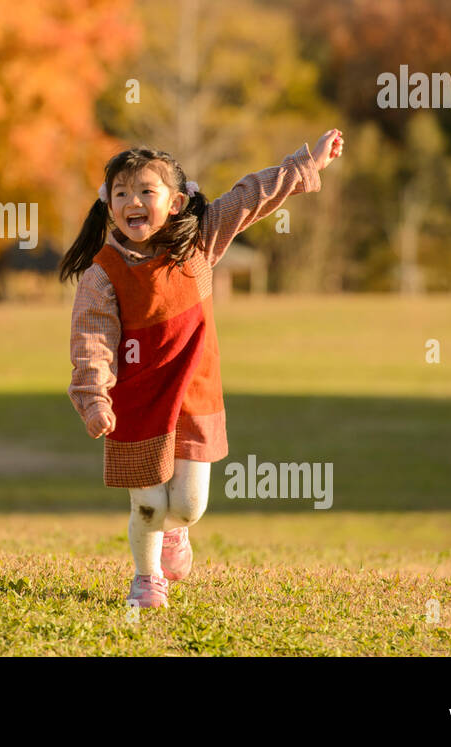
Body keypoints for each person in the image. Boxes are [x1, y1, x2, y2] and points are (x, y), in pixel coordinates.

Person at [62, 130, 343, 608]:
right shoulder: (102, 272)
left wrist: (303, 165)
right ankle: (145, 578)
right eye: (121, 193)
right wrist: (94, 398)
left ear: (174, 202)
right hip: (135, 403)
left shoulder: (199, 244)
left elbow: (249, 196)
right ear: (108, 206)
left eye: (146, 191)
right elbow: (91, 339)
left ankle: (176, 535)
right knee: (148, 504)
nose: (133, 201)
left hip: (195, 397)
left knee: (189, 507)